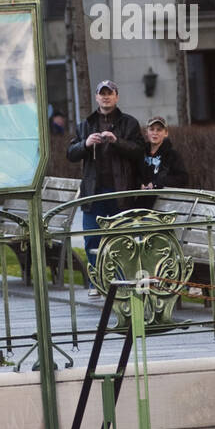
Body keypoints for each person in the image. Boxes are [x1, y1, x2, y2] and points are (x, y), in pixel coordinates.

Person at [67, 80, 145, 293]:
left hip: (121, 192)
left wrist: (116, 141)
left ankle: (121, 284)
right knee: (92, 239)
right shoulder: (86, 124)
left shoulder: (129, 123)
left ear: (116, 97)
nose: (105, 97)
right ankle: (95, 283)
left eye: (109, 93)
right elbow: (70, 153)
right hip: (93, 193)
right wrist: (85, 144)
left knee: (121, 240)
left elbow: (139, 150)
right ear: (96, 97)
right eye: (102, 94)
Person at [139, 116, 189, 192]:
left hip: (163, 199)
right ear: (146, 132)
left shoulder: (172, 155)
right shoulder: (140, 153)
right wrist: (139, 184)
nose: (155, 133)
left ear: (166, 133)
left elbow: (183, 178)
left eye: (159, 130)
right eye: (152, 129)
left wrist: (157, 184)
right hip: (141, 198)